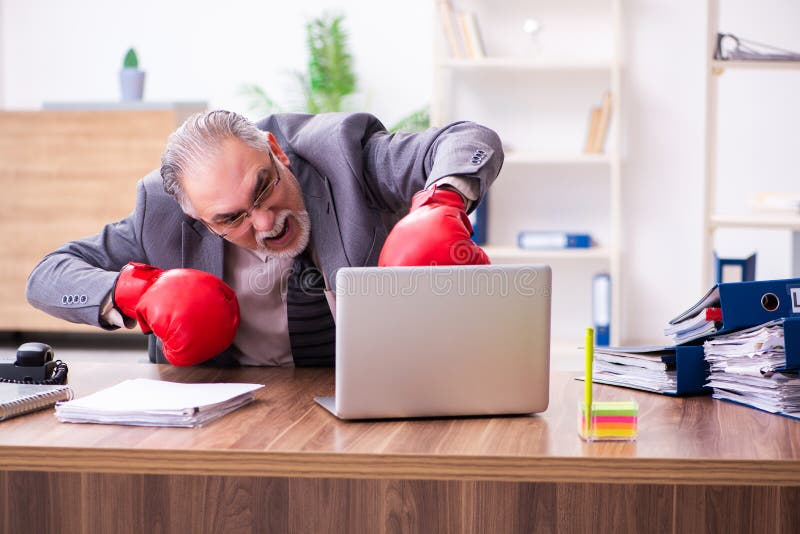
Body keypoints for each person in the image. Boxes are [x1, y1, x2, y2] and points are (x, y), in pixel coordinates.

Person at [26, 110, 503, 367]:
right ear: (199, 218)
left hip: (373, 391)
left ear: (276, 152)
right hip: (230, 413)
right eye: (232, 218)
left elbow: (467, 139)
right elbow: (48, 274)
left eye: (265, 188)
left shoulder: (345, 156)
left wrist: (442, 203)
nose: (265, 221)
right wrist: (132, 293)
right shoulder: (163, 210)